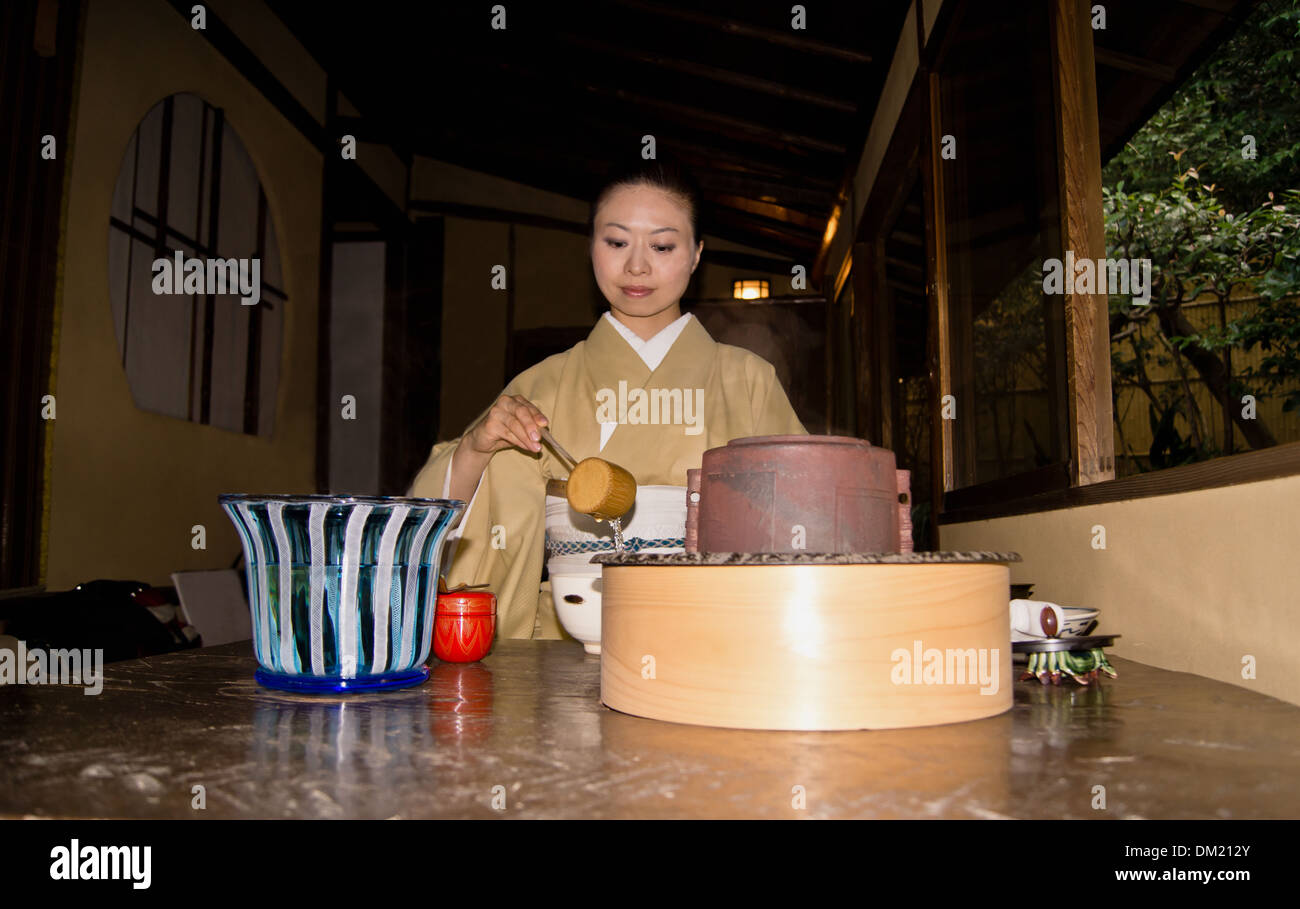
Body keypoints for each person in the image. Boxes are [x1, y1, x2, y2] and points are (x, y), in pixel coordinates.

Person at [408, 159, 807, 638]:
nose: (636, 266)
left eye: (662, 245)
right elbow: (435, 527)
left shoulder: (747, 380)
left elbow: (805, 521)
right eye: (616, 242)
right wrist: (475, 448)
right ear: (590, 246)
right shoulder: (541, 385)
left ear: (697, 254)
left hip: (716, 633)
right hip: (568, 639)